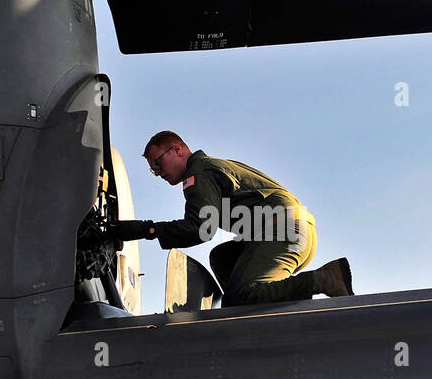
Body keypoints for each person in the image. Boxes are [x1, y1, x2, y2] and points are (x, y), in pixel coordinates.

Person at [96, 131, 353, 307]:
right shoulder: (210, 167)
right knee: (222, 257)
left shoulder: (198, 173)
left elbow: (199, 229)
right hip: (294, 232)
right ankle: (252, 310)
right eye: (153, 169)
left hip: (282, 232)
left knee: (241, 295)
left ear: (177, 149)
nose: (157, 173)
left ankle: (325, 279)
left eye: (158, 164)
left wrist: (145, 229)